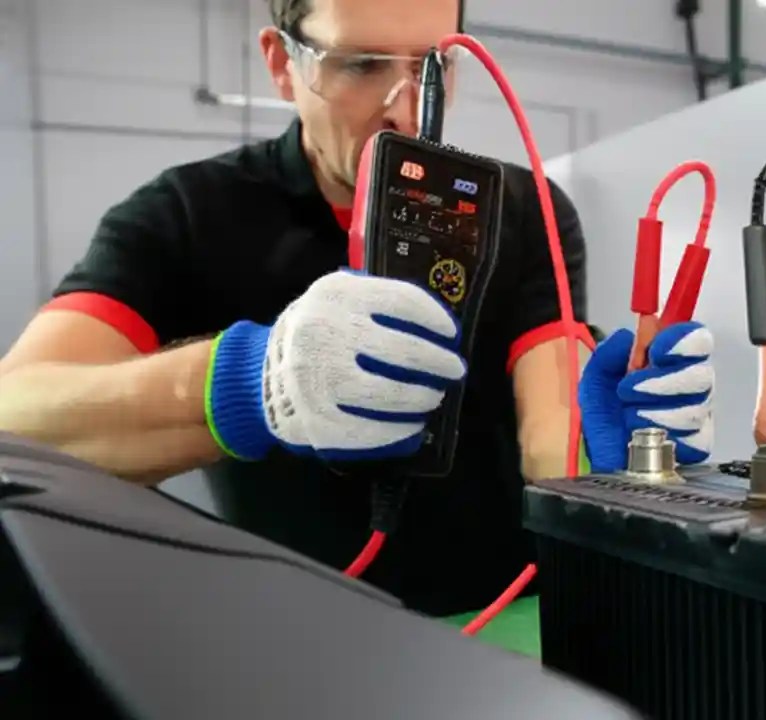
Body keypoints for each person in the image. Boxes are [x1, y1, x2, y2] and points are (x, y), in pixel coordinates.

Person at [0, 0, 714, 617]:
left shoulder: (523, 210)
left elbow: (552, 430)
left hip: (505, 624)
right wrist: (253, 384)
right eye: (361, 65)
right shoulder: (184, 214)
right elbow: (16, 423)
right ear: (282, 63)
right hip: (290, 641)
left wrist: (612, 456)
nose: (403, 110)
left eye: (433, 68)